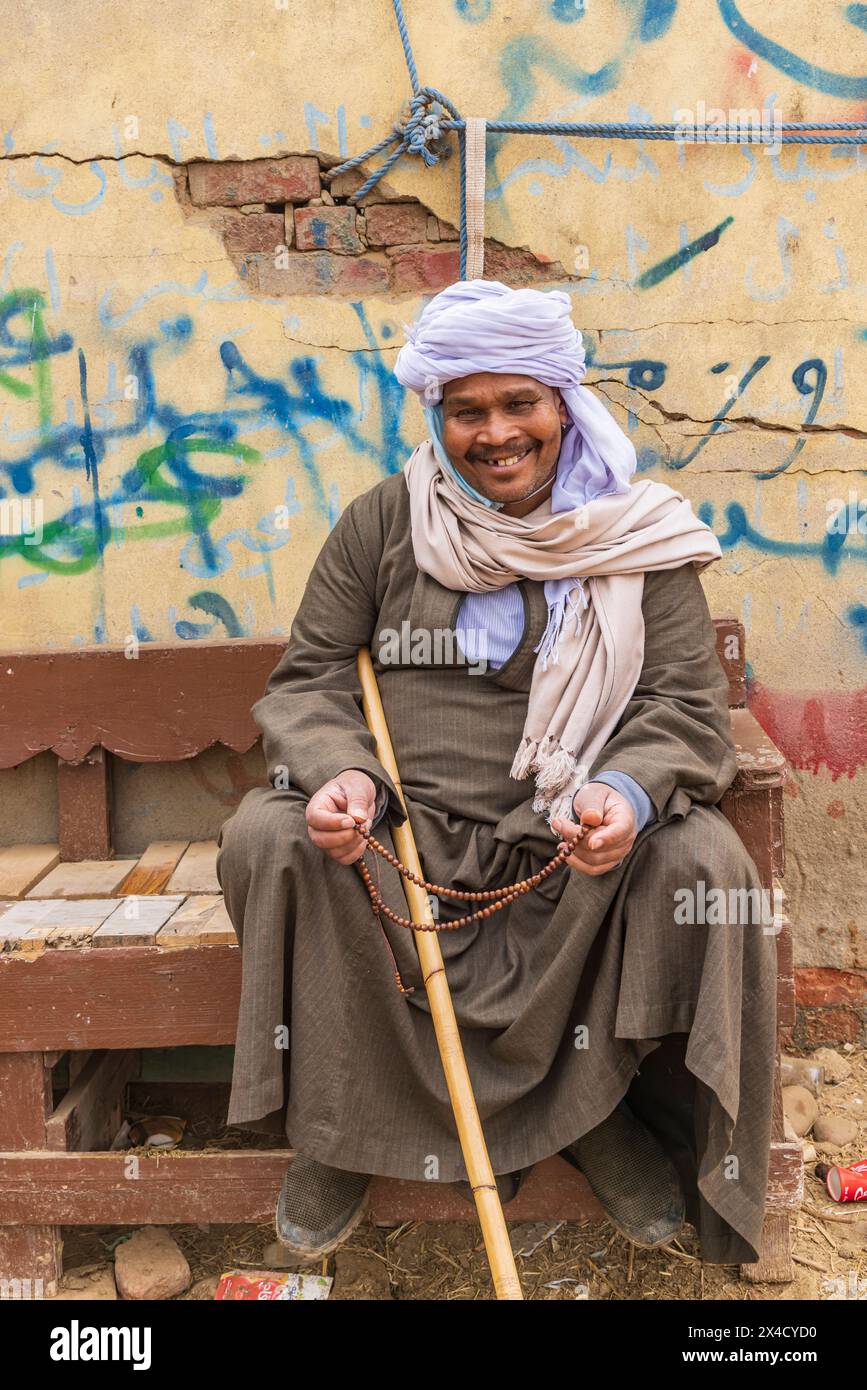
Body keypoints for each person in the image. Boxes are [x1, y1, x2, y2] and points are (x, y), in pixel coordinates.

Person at [216, 278, 778, 1268]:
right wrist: (344, 777)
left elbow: (687, 705)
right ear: (436, 415)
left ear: (563, 402)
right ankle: (343, 1133)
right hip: (406, 843)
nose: (497, 433)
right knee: (267, 836)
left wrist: (629, 793)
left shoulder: (635, 536)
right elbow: (306, 682)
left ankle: (596, 1104)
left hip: (570, 845)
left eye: (520, 402)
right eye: (466, 410)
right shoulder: (384, 524)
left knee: (708, 867)